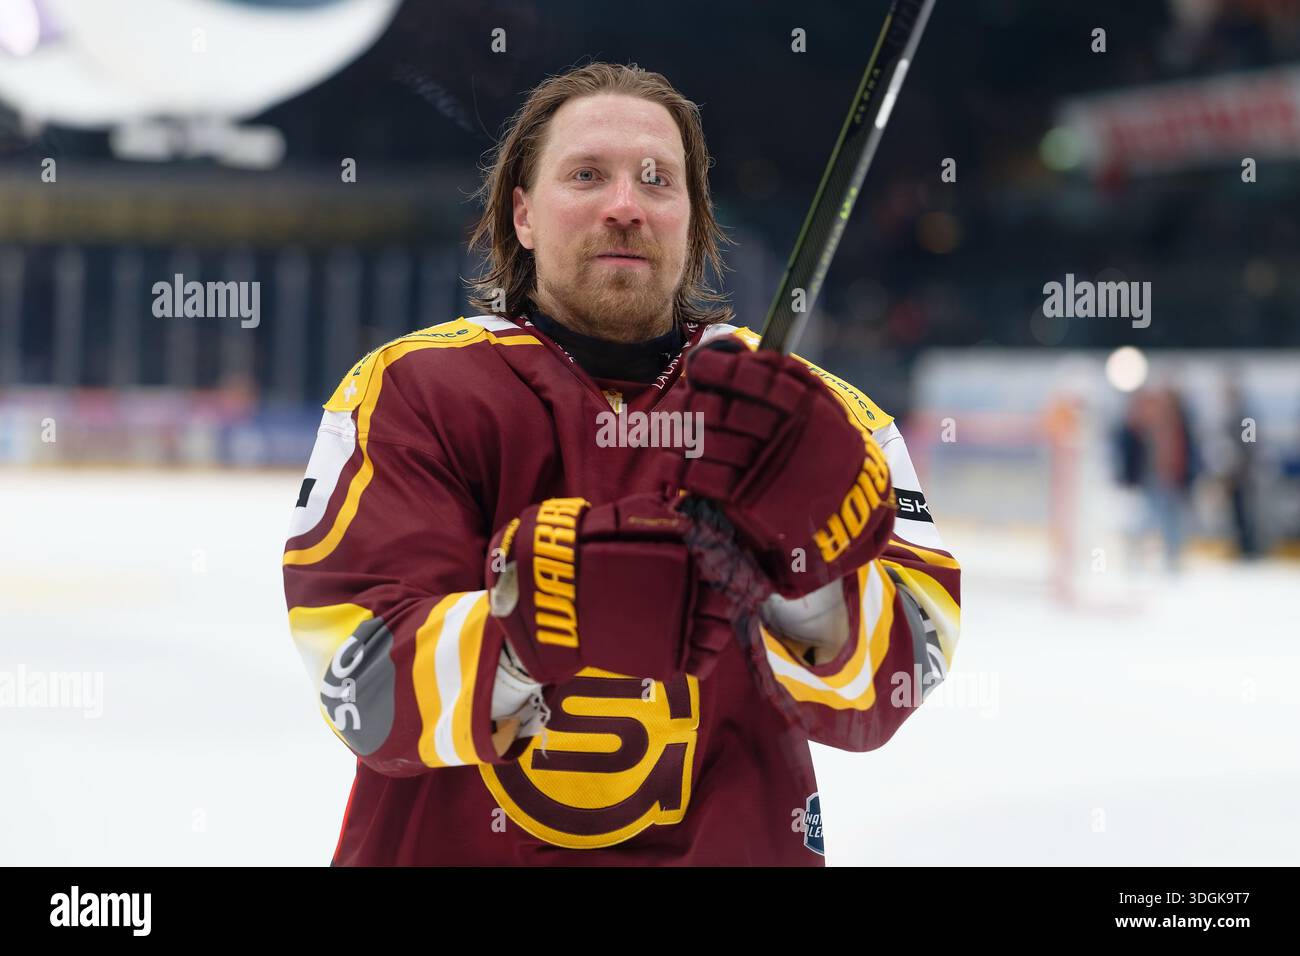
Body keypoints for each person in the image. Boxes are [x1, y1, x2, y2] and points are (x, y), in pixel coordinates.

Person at [281, 62, 961, 865]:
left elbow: (905, 673)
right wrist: (531, 629)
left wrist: (807, 581)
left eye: (657, 181)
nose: (626, 206)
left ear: (693, 222)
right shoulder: (412, 392)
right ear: (523, 215)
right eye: (586, 175)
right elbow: (357, 681)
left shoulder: (818, 419)